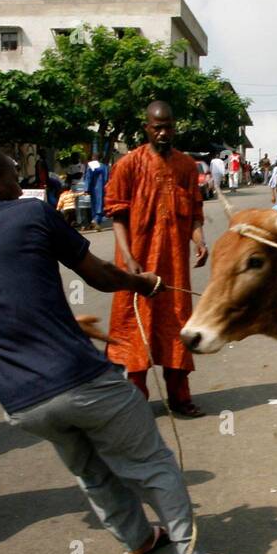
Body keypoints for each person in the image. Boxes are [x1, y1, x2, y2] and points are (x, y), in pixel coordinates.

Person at [0, 146, 233, 554]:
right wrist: (142, 283)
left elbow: (3, 309)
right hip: (79, 380)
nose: (22, 180)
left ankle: (138, 538)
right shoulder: (30, 215)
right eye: (13, 173)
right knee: (153, 464)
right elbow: (98, 275)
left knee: (90, 472)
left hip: (22, 402)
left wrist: (69, 321)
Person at [106, 100, 208, 416]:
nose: (164, 133)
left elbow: (194, 213)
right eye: (157, 127)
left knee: (176, 322)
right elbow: (117, 214)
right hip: (136, 264)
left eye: (169, 127)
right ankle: (135, 401)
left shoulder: (187, 167)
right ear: (147, 128)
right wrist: (128, 256)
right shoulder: (129, 164)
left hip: (174, 267)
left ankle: (180, 397)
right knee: (133, 324)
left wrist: (199, 240)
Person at [83, 151, 109, 228]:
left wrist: (86, 188)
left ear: (94, 157)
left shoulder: (91, 165)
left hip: (94, 188)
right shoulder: (104, 166)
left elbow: (88, 177)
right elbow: (107, 178)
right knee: (100, 203)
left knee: (94, 203)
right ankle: (97, 220)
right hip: (102, 188)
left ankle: (95, 220)